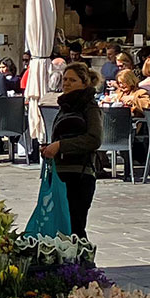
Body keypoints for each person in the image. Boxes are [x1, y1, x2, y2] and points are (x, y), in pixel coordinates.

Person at [42, 63, 103, 238]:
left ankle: (82, 264)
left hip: (80, 174)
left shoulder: (89, 107)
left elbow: (94, 139)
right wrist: (49, 147)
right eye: (65, 79)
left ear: (84, 83)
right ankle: (66, 264)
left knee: (75, 227)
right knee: (60, 227)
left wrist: (61, 145)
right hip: (60, 173)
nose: (66, 83)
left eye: (72, 80)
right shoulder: (65, 105)